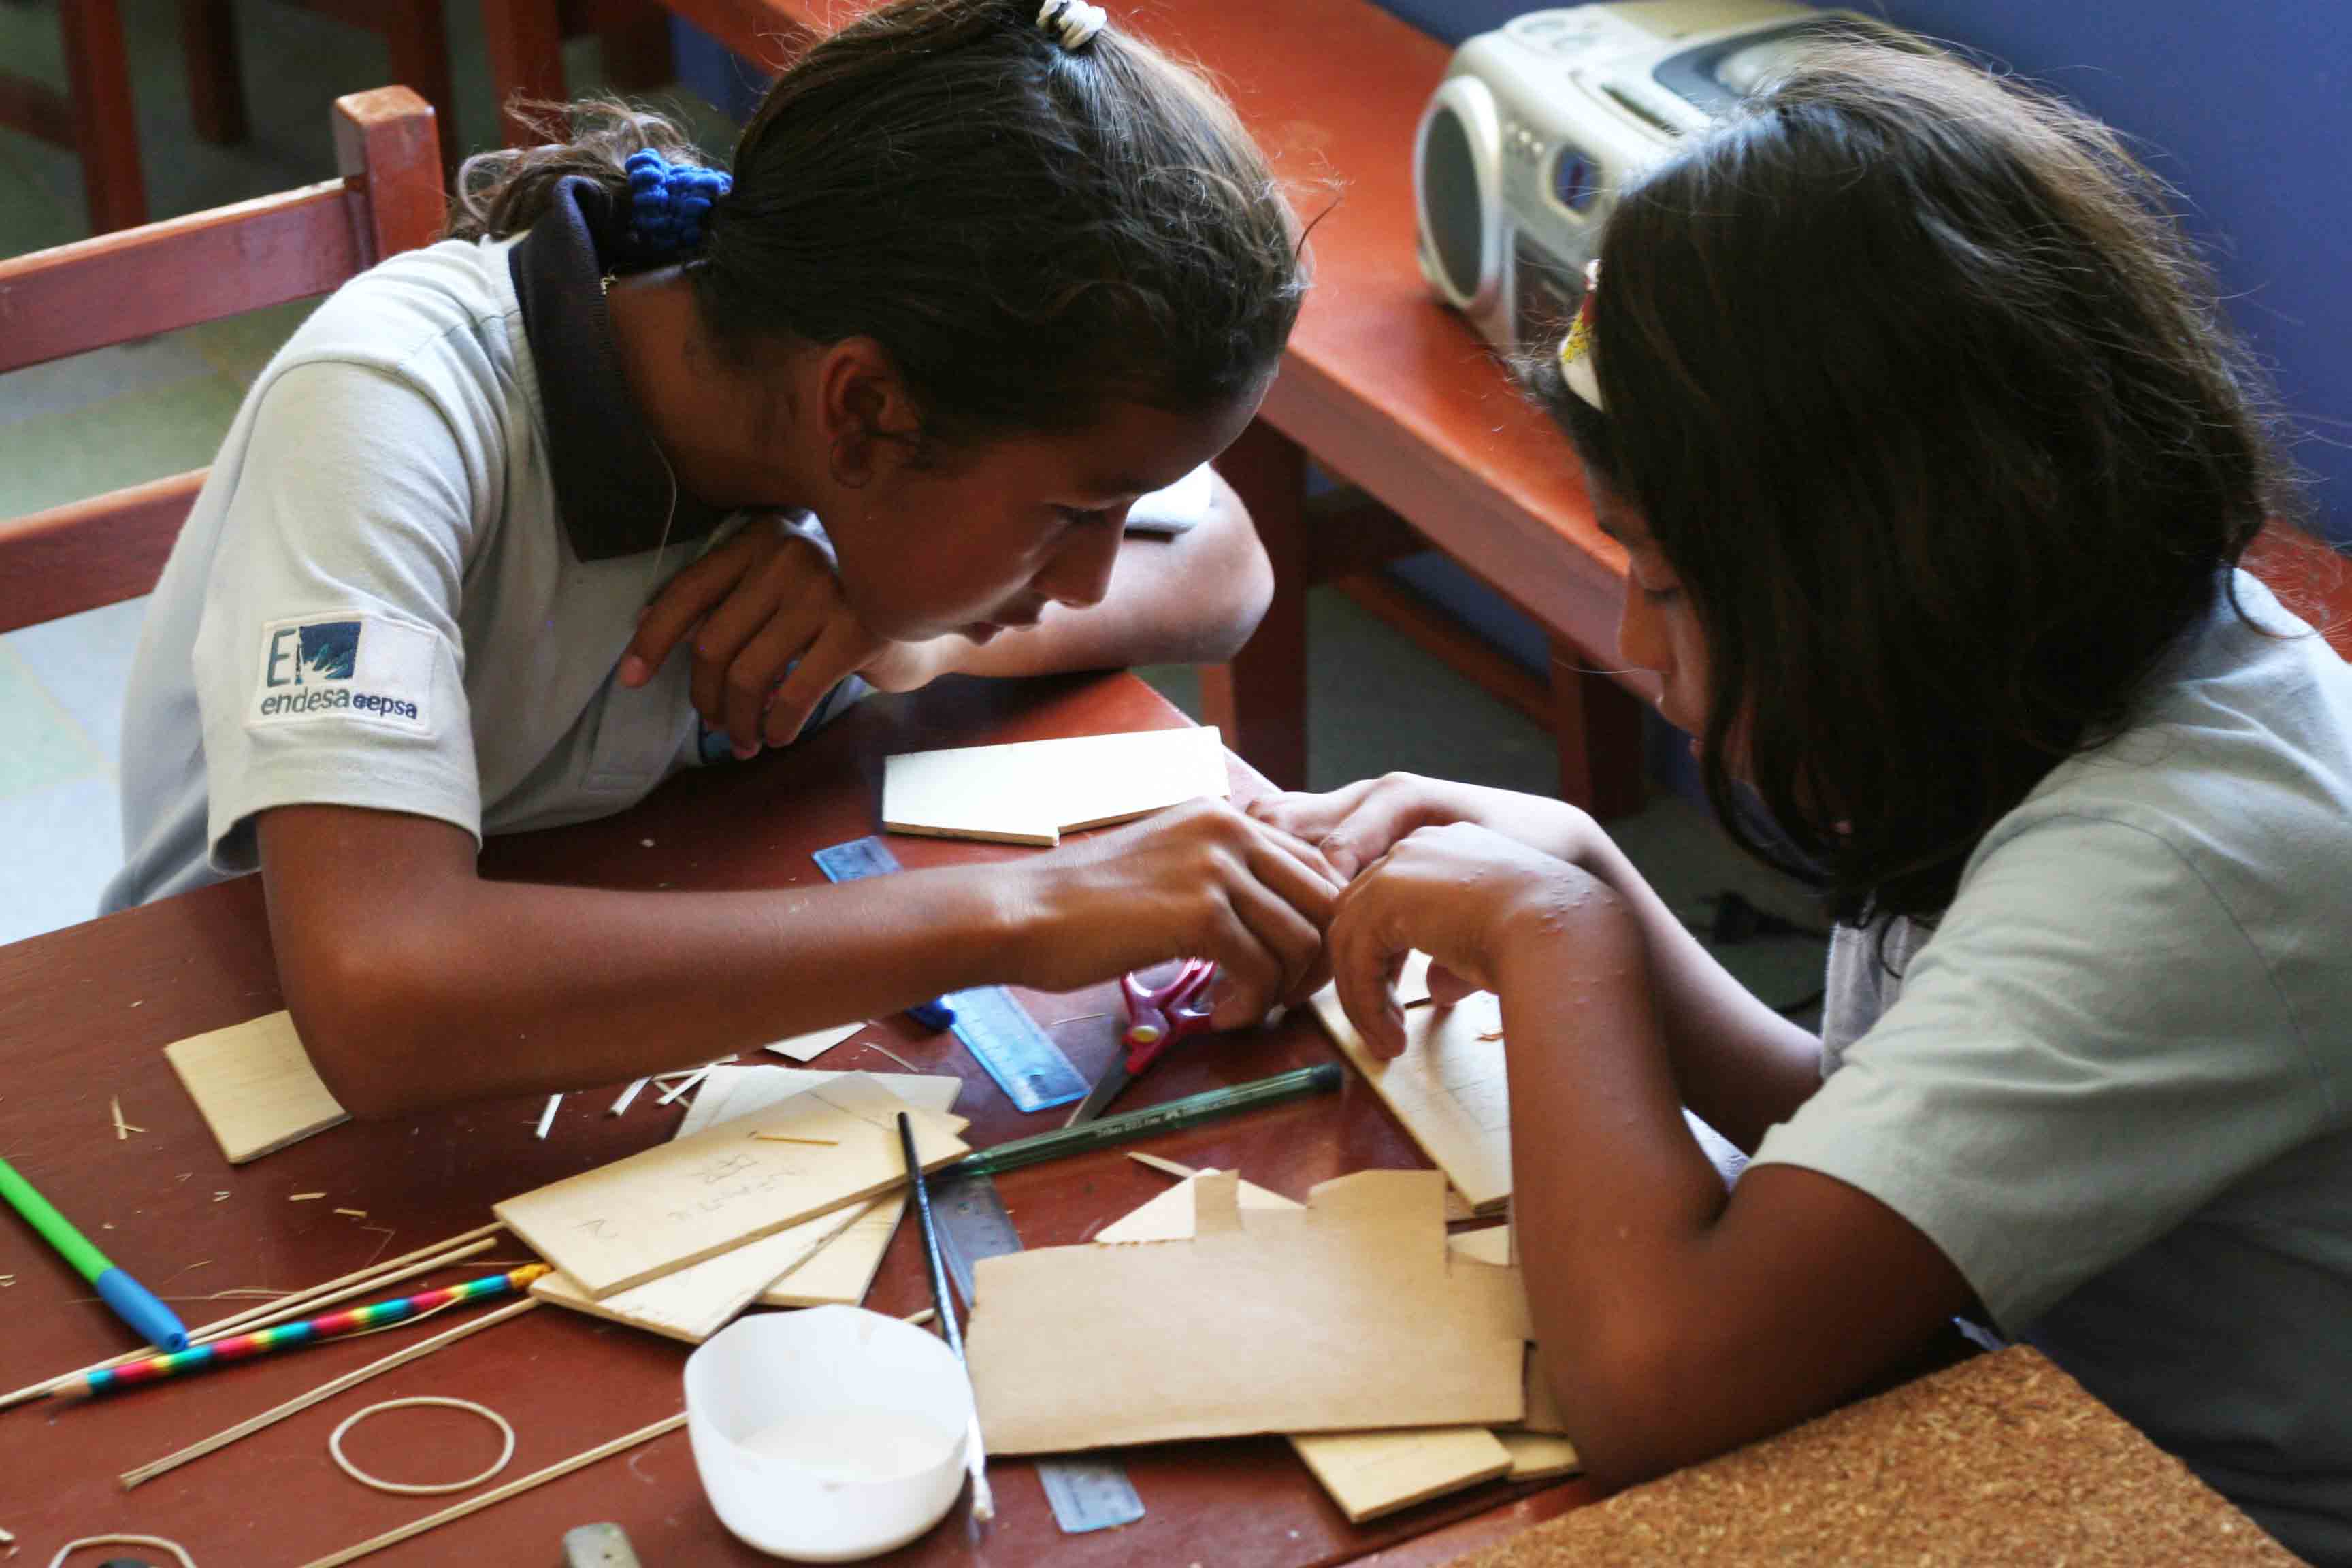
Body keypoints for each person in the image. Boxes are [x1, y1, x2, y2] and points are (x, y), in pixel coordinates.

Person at [1258, 39, 2352, 1561]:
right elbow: (1875, 1144)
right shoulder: (2052, 662)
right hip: (2026, 1404)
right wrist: (1598, 878)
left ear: (1885, 575)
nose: (1648, 661)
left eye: (1666, 583)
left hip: (2197, 1520)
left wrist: (1562, 935)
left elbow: (1654, 1391)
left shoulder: (2180, 866)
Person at [105, 0, 1340, 1118]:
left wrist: (896, 624)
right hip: (222, 1054)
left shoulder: (806, 327)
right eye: (1075, 516)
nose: (1086, 575)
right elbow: (384, 992)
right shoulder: (389, 414)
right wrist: (1032, 909)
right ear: (860, 415)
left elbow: (1227, 565)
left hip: (593, 977)